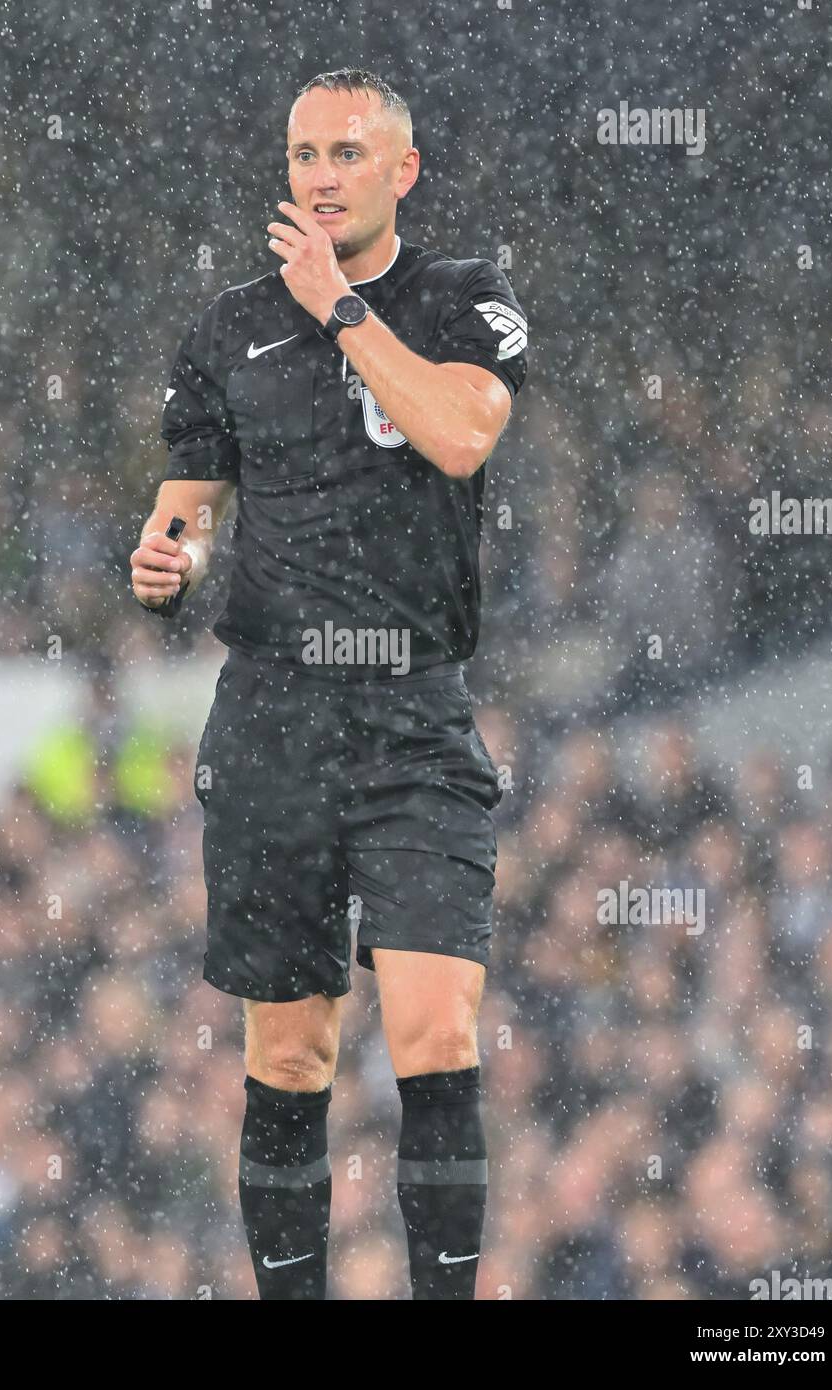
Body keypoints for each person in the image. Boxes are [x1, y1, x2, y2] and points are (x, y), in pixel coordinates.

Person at [130, 68, 528, 1300]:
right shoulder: (228, 325)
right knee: (292, 1052)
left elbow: (461, 436)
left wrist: (345, 310)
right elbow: (185, 519)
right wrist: (163, 563)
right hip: (272, 717)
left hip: (413, 713)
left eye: (347, 153)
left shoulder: (465, 296)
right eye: (304, 154)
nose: (319, 174)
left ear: (401, 171)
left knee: (434, 1031)